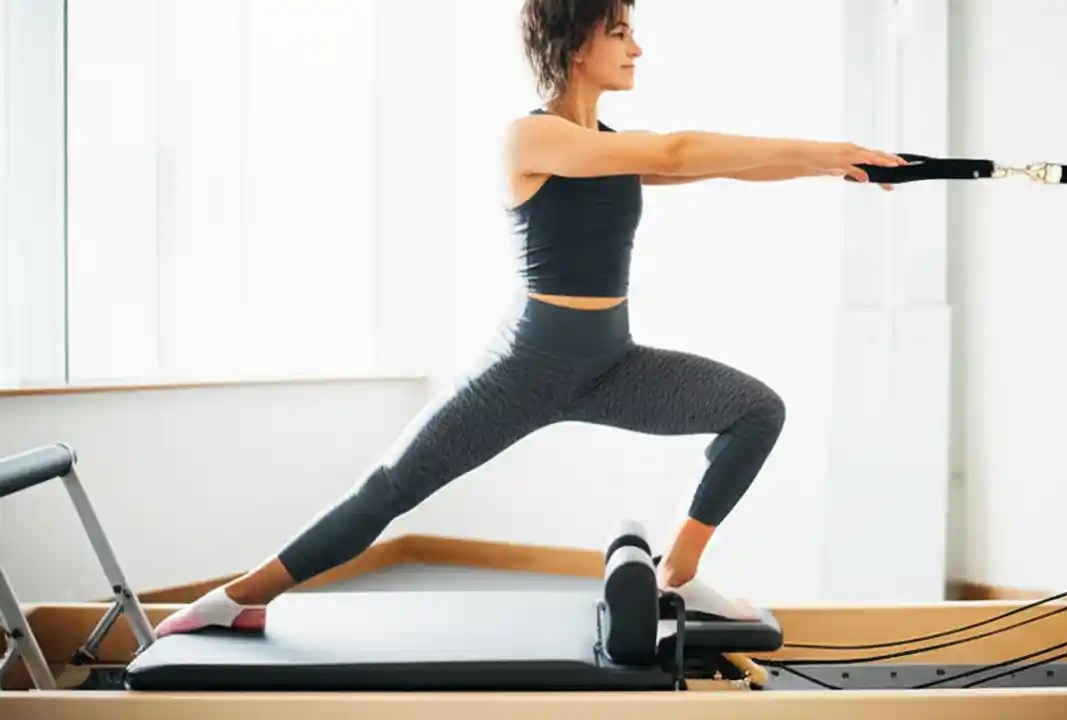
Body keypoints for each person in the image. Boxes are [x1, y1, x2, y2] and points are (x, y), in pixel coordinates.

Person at [154, 0, 904, 638]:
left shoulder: (609, 148)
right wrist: (825, 146)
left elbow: (698, 163)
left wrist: (838, 166)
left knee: (755, 412)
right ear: (575, 43)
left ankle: (676, 574)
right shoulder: (533, 137)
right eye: (620, 32)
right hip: (527, 369)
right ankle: (239, 598)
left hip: (612, 364)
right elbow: (676, 149)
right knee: (391, 489)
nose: (637, 46)